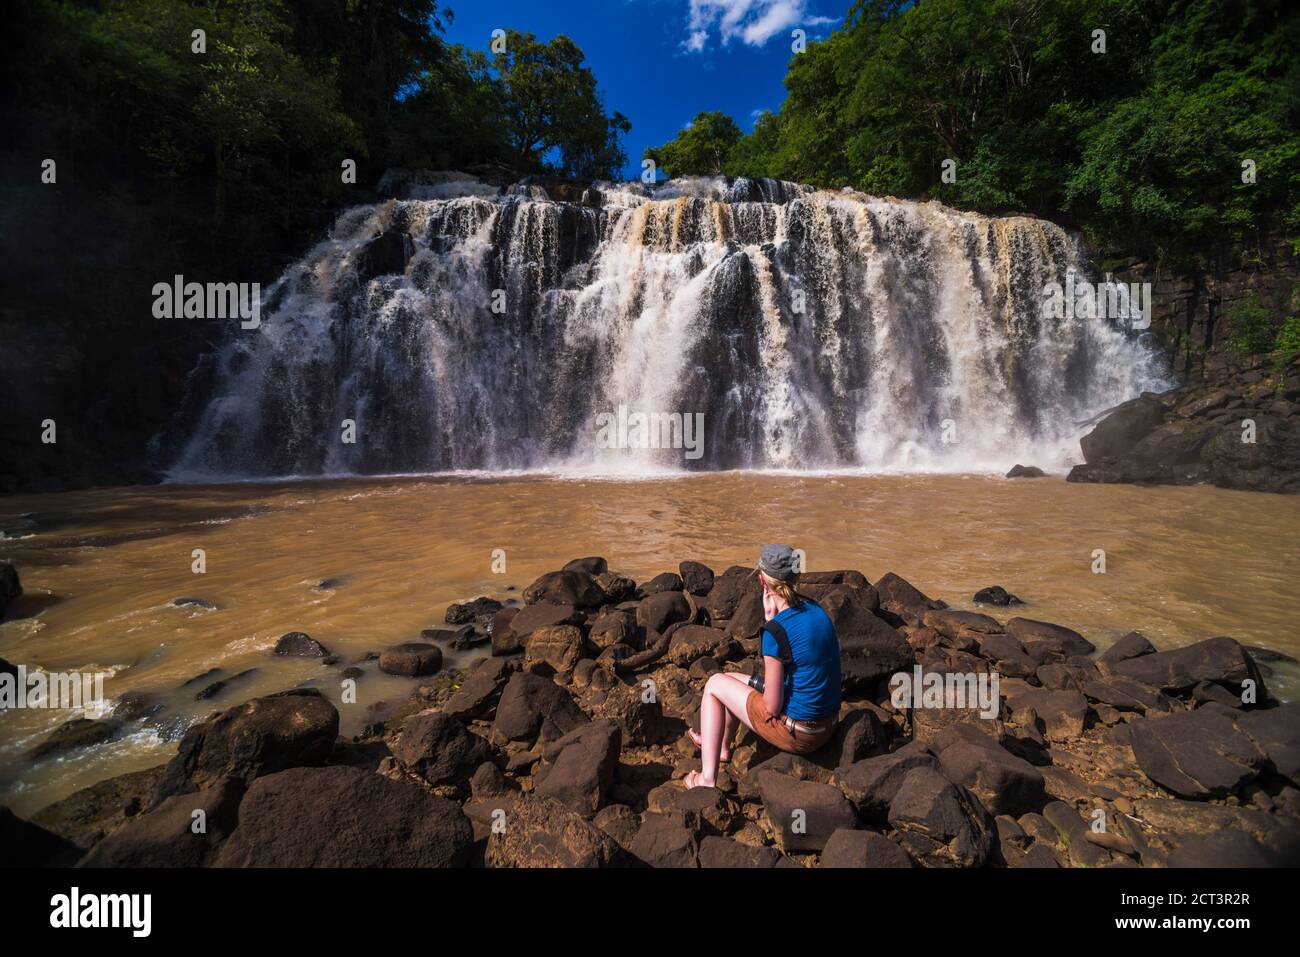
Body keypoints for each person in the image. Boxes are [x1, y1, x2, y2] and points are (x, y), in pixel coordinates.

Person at [683, 544, 842, 789]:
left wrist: (771, 624)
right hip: (828, 725)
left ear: (761, 581)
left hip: (800, 735)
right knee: (731, 678)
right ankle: (719, 746)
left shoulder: (776, 631)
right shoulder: (817, 610)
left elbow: (771, 706)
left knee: (714, 684)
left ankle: (706, 779)